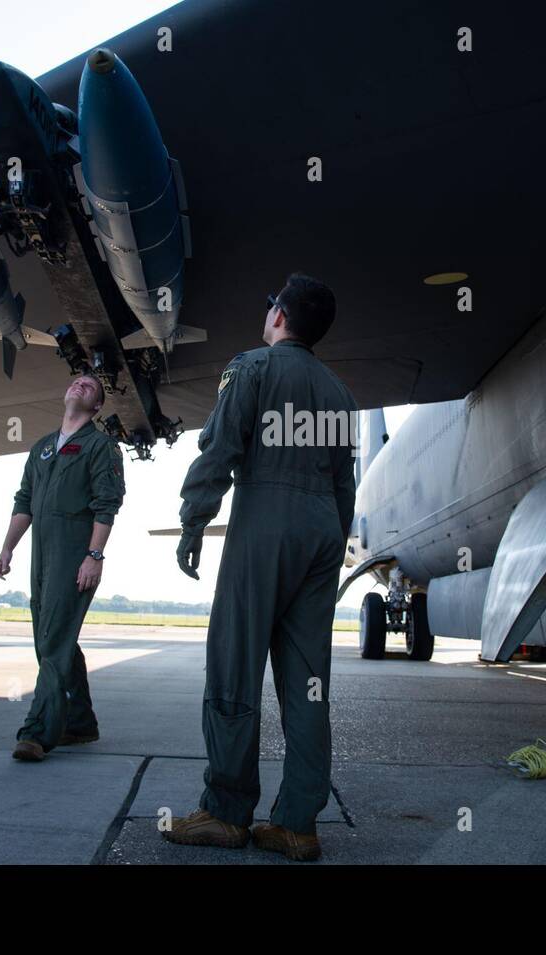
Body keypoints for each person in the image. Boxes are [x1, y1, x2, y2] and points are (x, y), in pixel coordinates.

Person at [165, 273, 357, 861]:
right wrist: (330, 544)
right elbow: (345, 483)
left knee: (232, 663)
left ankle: (226, 812)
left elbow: (219, 449)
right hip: (323, 533)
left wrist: (193, 520)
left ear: (279, 317)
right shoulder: (341, 394)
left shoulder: (251, 368)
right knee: (307, 682)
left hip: (265, 523)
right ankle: (297, 823)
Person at [0, 374, 125, 761]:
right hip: (41, 554)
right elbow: (24, 502)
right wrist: (7, 547)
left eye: (90, 386)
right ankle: (80, 723)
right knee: (53, 636)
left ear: (98, 406)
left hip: (74, 554)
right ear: (65, 394)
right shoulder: (42, 449)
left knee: (52, 640)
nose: (81, 384)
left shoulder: (101, 447)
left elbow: (107, 505)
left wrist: (94, 556)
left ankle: (38, 732)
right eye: (75, 381)